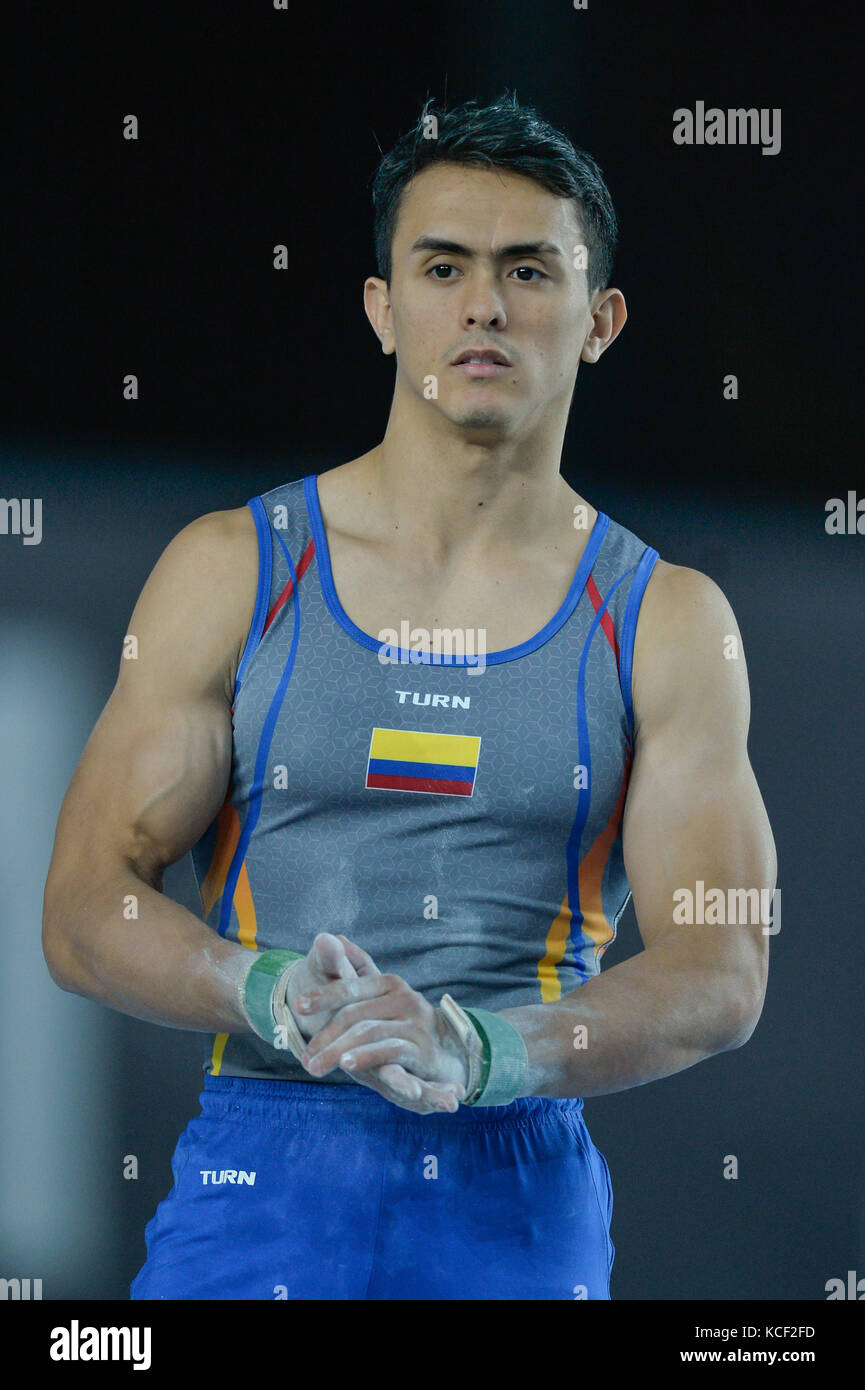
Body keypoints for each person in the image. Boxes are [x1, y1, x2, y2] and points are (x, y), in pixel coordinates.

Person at [42, 95, 776, 1300]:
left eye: (528, 270)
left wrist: (484, 1047)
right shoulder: (235, 569)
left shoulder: (667, 620)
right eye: (444, 267)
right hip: (263, 1169)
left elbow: (722, 967)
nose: (483, 305)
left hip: (511, 1183)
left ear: (601, 321)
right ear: (384, 309)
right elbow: (81, 907)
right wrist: (262, 986)